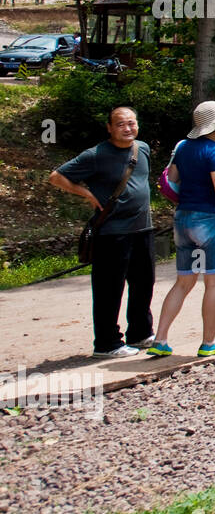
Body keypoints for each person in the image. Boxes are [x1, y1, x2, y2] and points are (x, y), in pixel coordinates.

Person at [48, 106, 155, 358]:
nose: (128, 128)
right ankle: (107, 343)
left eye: (132, 123)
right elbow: (56, 177)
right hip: (112, 232)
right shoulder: (96, 154)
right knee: (109, 289)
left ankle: (140, 333)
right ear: (109, 127)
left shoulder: (142, 149)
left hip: (143, 228)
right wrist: (86, 193)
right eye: (121, 124)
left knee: (144, 283)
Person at [147, 101, 215, 357]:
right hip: (211, 220)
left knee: (183, 282)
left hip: (184, 219)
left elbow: (172, 179)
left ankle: (160, 340)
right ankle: (209, 342)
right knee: (214, 284)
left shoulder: (183, 149)